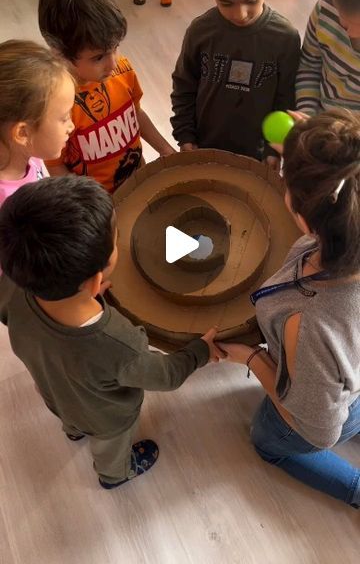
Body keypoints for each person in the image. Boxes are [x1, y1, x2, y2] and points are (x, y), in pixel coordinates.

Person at [0, 175, 221, 488]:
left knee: (71, 416)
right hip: (107, 419)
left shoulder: (12, 285)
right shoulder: (116, 342)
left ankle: (73, 430)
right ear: (94, 281)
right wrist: (200, 350)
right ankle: (115, 474)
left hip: (52, 391)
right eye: (115, 243)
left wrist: (80, 296)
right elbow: (166, 376)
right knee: (111, 447)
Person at [218, 109, 360, 508]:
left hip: (326, 409)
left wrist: (250, 357)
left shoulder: (310, 321)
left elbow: (319, 430)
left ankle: (356, 488)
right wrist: (310, 144)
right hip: (349, 368)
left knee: (268, 441)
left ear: (300, 215)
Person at [171, 0, 300, 169]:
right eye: (225, 2)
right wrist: (185, 135)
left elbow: (286, 100)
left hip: (257, 156)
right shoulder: (200, 32)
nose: (239, 14)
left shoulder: (285, 38)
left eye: (251, 0)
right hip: (205, 146)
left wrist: (274, 149)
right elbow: (184, 86)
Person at [38, 0, 175, 194]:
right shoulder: (56, 104)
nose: (113, 63)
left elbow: (136, 115)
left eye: (115, 47)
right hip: (99, 204)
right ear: (61, 54)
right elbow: (56, 167)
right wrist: (92, 208)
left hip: (139, 182)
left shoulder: (122, 68)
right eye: (98, 57)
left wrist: (165, 148)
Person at [0, 39, 75, 207]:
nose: (71, 127)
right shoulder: (9, 206)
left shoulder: (29, 155)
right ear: (23, 133)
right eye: (64, 118)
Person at [296, 0, 360, 116]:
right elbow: (309, 66)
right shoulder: (326, 8)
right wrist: (308, 117)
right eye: (343, 17)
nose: (351, 33)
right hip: (321, 120)